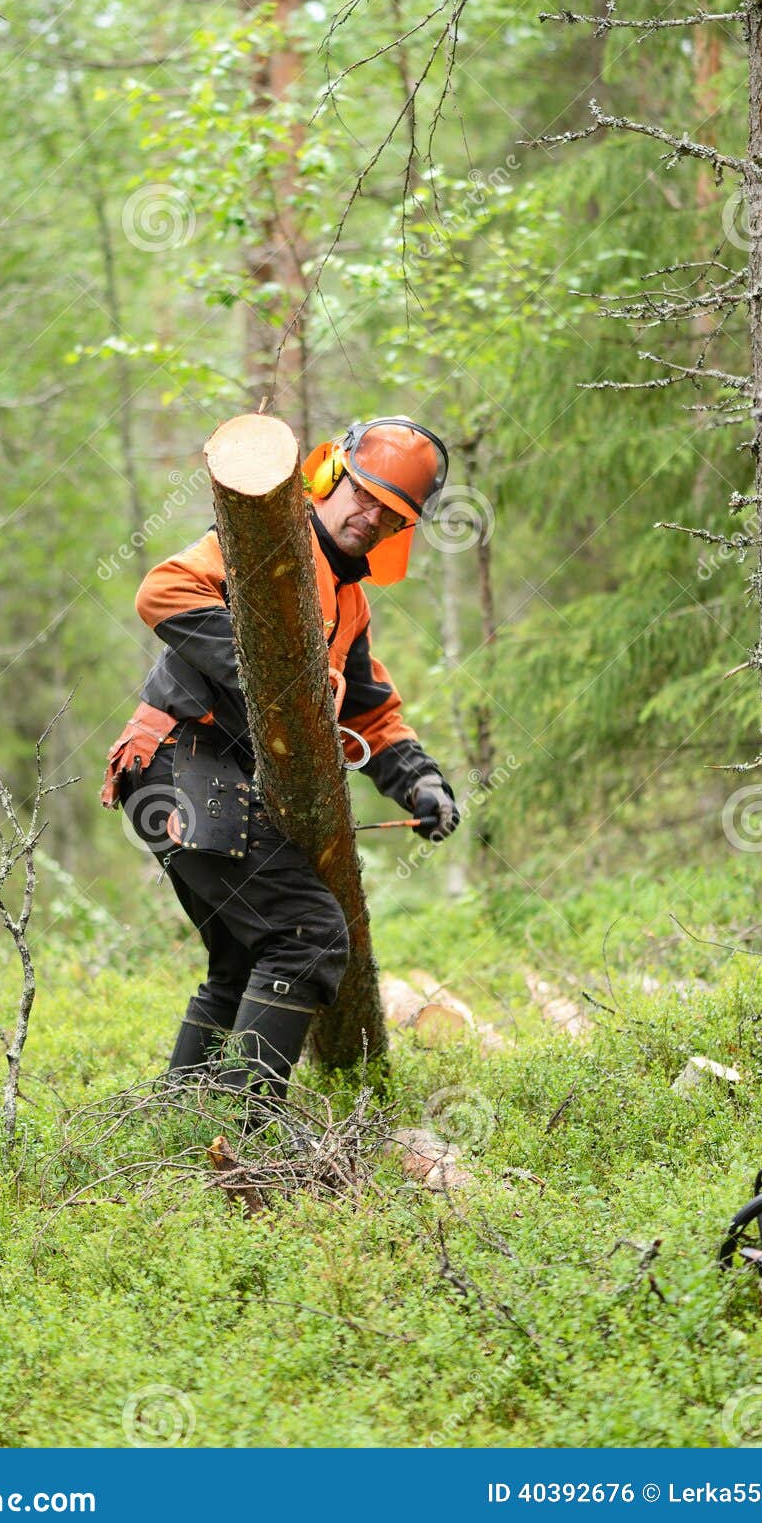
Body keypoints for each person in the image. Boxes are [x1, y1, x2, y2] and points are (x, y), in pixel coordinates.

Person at [100, 417, 459, 1110]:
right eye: (364, 493)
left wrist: (419, 780)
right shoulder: (268, 540)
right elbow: (162, 590)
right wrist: (272, 679)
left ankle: (184, 1121)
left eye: (391, 512)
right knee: (307, 934)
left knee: (241, 954)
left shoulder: (347, 601)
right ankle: (247, 1132)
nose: (371, 514)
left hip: (205, 772)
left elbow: (371, 709)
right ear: (330, 476)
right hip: (180, 758)